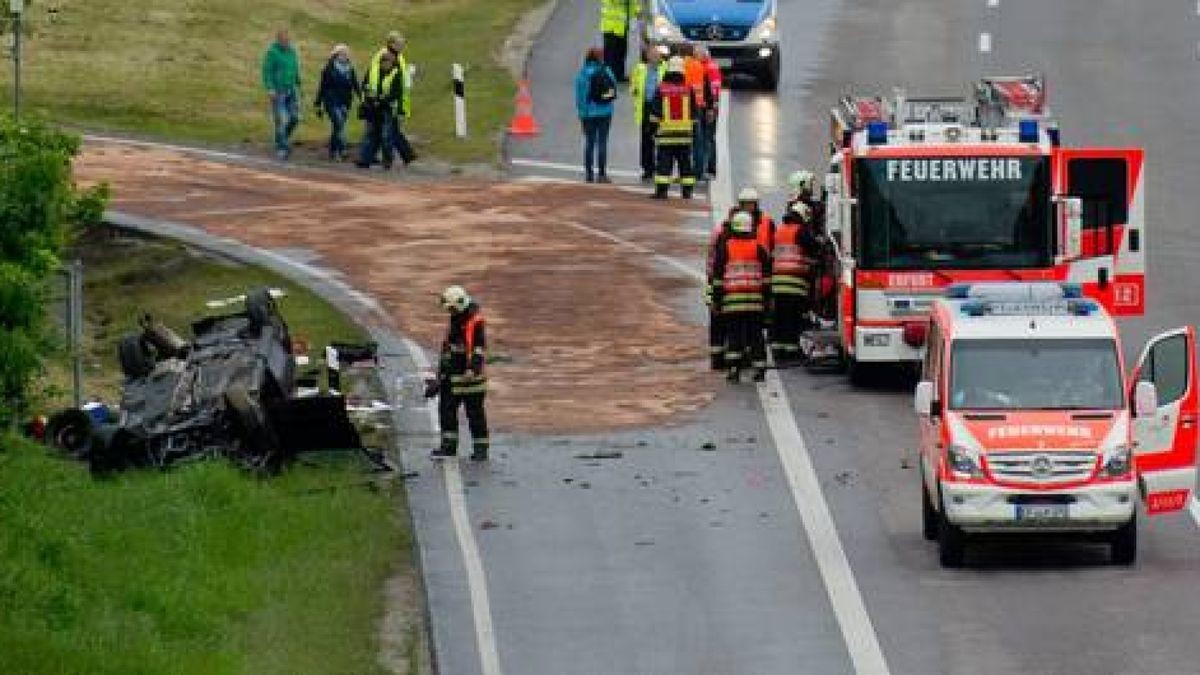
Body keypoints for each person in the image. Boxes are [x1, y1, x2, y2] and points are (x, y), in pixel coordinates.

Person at [428, 286, 490, 461]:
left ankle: (480, 449)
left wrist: (473, 368)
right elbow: (447, 353)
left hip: (470, 380)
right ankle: (448, 448)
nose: (449, 311)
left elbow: (479, 348)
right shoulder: (455, 321)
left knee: (475, 415)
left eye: (451, 308)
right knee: (446, 412)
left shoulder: (474, 322)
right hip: (452, 378)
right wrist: (438, 381)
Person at [712, 211, 770, 383]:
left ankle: (734, 369)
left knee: (734, 337)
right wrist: (767, 301)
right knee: (756, 336)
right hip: (755, 303)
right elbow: (767, 279)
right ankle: (759, 369)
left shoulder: (725, 248)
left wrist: (717, 301)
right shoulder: (759, 248)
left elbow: (717, 279)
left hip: (732, 303)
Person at [769, 201, 821, 361]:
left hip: (777, 282)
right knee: (792, 319)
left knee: (779, 318)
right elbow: (813, 248)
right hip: (795, 283)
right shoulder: (801, 231)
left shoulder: (780, 230)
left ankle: (777, 350)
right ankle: (791, 350)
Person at [649, 56, 696, 199]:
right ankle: (687, 191)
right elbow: (694, 114)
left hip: (666, 135)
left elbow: (655, 114)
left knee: (664, 163)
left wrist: (652, 130)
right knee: (685, 164)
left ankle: (662, 191)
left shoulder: (661, 89)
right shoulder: (689, 89)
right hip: (685, 135)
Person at [368, 32, 417, 166]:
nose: (402, 46)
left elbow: (402, 79)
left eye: (403, 44)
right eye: (399, 43)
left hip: (395, 99)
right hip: (386, 100)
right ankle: (399, 156)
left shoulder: (399, 56)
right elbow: (376, 76)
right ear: (391, 43)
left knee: (389, 130)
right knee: (386, 131)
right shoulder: (384, 55)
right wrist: (377, 97)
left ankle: (370, 156)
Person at [575, 47, 617, 183]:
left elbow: (580, 97)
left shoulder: (583, 74)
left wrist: (582, 114)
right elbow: (613, 88)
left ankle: (589, 174)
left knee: (589, 142)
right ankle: (602, 174)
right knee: (602, 142)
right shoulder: (607, 71)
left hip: (589, 113)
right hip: (605, 112)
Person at [355, 50, 403, 169]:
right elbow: (365, 86)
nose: (386, 65)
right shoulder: (372, 71)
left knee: (386, 136)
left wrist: (381, 100)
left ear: (393, 64)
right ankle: (364, 160)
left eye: (389, 63)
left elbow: (396, 93)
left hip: (388, 109)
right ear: (381, 62)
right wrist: (369, 98)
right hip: (372, 107)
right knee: (370, 134)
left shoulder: (396, 74)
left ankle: (387, 160)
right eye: (384, 62)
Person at [314, 44, 361, 161]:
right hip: (331, 101)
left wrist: (362, 98)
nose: (344, 56)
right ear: (335, 55)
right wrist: (317, 104)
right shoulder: (328, 69)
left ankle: (332, 151)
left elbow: (355, 85)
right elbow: (322, 87)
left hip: (345, 102)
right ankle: (343, 149)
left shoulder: (350, 69)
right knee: (339, 122)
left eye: (346, 54)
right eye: (342, 54)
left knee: (337, 127)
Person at [261, 29, 302, 160]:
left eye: (288, 40)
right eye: (284, 40)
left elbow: (295, 68)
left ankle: (280, 140)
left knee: (295, 118)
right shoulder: (272, 53)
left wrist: (298, 83)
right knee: (280, 121)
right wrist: (270, 88)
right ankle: (283, 148)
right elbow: (267, 71)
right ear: (278, 40)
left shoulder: (292, 52)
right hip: (278, 91)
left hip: (291, 90)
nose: (287, 42)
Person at [705, 209, 735, 370]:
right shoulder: (726, 238)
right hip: (724, 282)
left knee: (716, 321)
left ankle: (717, 359)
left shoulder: (718, 233)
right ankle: (728, 359)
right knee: (726, 321)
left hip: (713, 280)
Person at [630, 46, 665, 182]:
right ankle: (647, 168)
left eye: (657, 56)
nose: (655, 58)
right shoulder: (640, 69)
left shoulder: (665, 68)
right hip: (646, 107)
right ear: (648, 57)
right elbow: (633, 86)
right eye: (653, 55)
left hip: (660, 108)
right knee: (646, 140)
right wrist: (635, 91)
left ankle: (660, 167)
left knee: (661, 139)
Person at [599, 0, 641, 82]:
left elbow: (632, 3)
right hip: (611, 26)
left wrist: (636, 12)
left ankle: (619, 75)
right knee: (610, 54)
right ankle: (608, 76)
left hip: (622, 26)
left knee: (621, 51)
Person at [697, 46, 723, 177]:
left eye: (697, 55)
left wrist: (711, 108)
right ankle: (709, 168)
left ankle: (707, 168)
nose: (695, 57)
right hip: (710, 106)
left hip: (708, 107)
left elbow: (713, 90)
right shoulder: (712, 67)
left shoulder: (708, 68)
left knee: (706, 138)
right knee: (708, 138)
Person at [736, 186, 775, 254]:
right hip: (743, 257)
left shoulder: (767, 221)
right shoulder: (735, 221)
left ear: (756, 204)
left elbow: (773, 242)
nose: (748, 206)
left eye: (751, 203)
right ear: (741, 205)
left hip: (763, 259)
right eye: (745, 203)